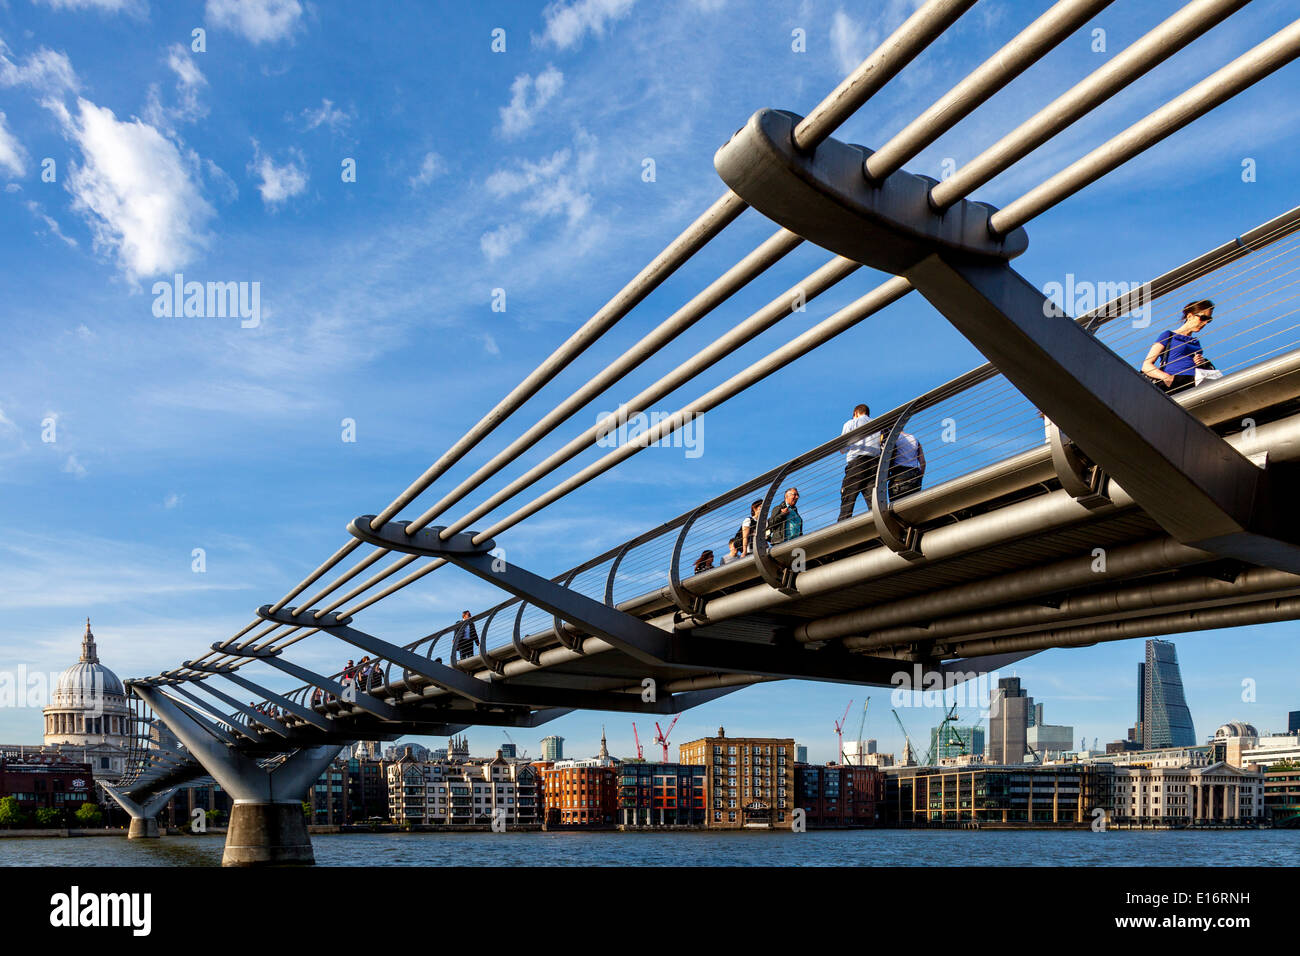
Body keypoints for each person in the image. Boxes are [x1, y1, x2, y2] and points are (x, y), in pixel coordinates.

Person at [1142, 299, 1214, 394]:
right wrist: (1168, 378)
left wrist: (1201, 362)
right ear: (1190, 316)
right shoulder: (1168, 335)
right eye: (1203, 318)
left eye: (1208, 320)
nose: (1205, 323)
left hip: (1197, 382)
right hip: (1175, 382)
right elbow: (1146, 366)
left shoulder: (1196, 342)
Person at [838, 403, 878, 521]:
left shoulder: (851, 423)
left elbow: (842, 449)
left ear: (855, 413)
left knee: (848, 497)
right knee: (873, 501)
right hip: (874, 463)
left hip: (857, 463)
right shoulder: (877, 424)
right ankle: (878, 527)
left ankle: (841, 529)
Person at [888, 428, 926, 499]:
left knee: (897, 507)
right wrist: (920, 477)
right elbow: (923, 462)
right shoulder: (914, 438)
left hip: (898, 477)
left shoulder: (892, 438)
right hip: (914, 476)